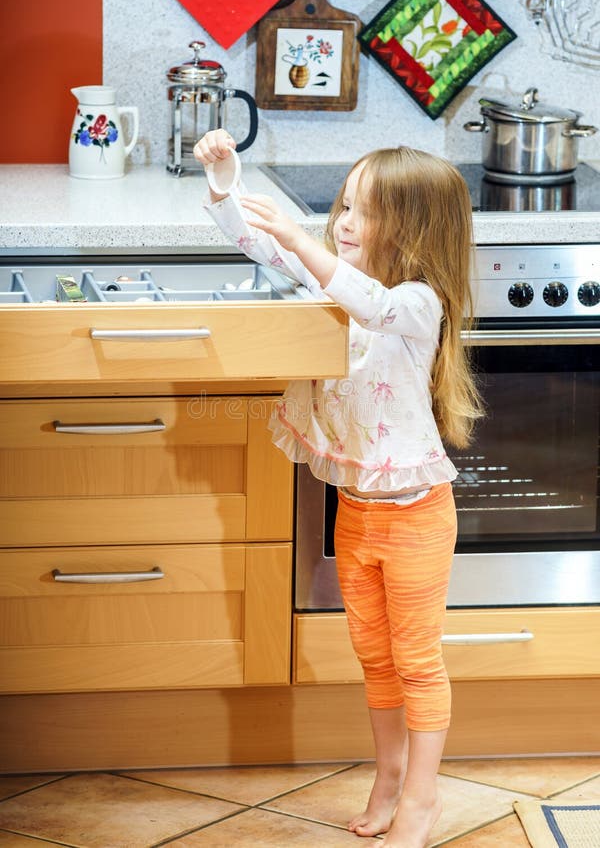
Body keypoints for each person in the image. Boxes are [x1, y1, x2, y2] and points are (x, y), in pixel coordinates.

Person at [194, 130, 482, 848]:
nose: (344, 222)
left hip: (417, 519)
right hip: (356, 515)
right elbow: (259, 246)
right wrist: (228, 183)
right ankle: (388, 775)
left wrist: (305, 241)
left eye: (364, 211)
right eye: (343, 206)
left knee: (417, 662)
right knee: (375, 657)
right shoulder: (334, 276)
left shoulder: (418, 304)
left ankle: (422, 797)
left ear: (411, 230)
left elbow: (367, 302)